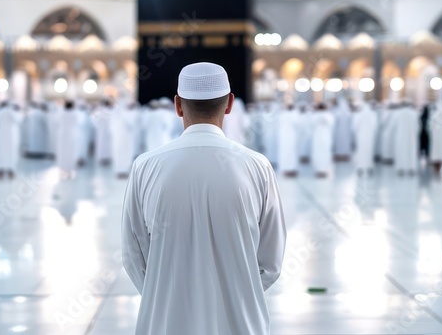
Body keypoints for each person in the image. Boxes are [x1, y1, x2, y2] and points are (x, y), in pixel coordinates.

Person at [122, 62, 285, 335]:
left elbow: (133, 255)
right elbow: (270, 262)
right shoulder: (257, 167)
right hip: (239, 324)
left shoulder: (145, 166)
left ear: (178, 105)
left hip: (165, 323)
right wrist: (234, 292)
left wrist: (165, 294)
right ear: (230, 104)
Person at [110, 101, 139, 178]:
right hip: (124, 139)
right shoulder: (126, 115)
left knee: (122, 154)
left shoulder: (116, 115)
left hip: (122, 139)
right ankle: (122, 171)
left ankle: (122, 171)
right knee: (123, 154)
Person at [0, 103, 23, 178]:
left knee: (1, 152)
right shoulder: (12, 112)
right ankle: (10, 171)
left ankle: (0, 170)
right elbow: (18, 121)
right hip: (10, 136)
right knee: (11, 152)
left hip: (1, 135)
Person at [393, 103, 419, 175]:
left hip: (400, 136)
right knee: (410, 152)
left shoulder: (397, 114)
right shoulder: (414, 114)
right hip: (411, 136)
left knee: (401, 151)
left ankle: (401, 168)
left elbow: (394, 126)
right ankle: (411, 168)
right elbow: (417, 127)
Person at [352, 103, 378, 176]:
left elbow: (355, 125)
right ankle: (369, 167)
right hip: (370, 136)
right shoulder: (373, 114)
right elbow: (374, 126)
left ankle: (361, 167)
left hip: (360, 136)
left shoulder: (358, 114)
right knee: (368, 151)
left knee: (361, 151)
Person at [310, 103, 335, 178]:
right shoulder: (328, 115)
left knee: (320, 153)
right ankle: (323, 170)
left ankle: (320, 170)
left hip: (319, 137)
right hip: (324, 137)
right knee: (324, 153)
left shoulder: (315, 115)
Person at [56, 101, 79, 178]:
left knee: (63, 153)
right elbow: (76, 123)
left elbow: (58, 123)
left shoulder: (61, 113)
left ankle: (62, 170)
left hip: (62, 136)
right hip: (71, 135)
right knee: (70, 153)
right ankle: (69, 171)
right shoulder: (74, 114)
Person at [276, 104, 300, 177]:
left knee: (287, 152)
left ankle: (287, 168)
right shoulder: (294, 114)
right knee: (290, 152)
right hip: (290, 136)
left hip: (285, 137)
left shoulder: (282, 115)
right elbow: (297, 124)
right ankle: (289, 168)